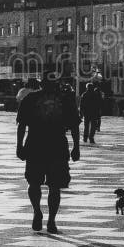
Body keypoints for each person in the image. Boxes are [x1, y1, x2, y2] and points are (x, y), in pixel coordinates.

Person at [16, 74, 81, 234]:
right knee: (54, 186)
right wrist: (76, 147)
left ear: (42, 84)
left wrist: (19, 146)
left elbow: (21, 125)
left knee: (34, 182)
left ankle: (38, 212)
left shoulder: (31, 98)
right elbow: (74, 126)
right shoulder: (65, 99)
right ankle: (51, 219)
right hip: (56, 145)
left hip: (35, 144)